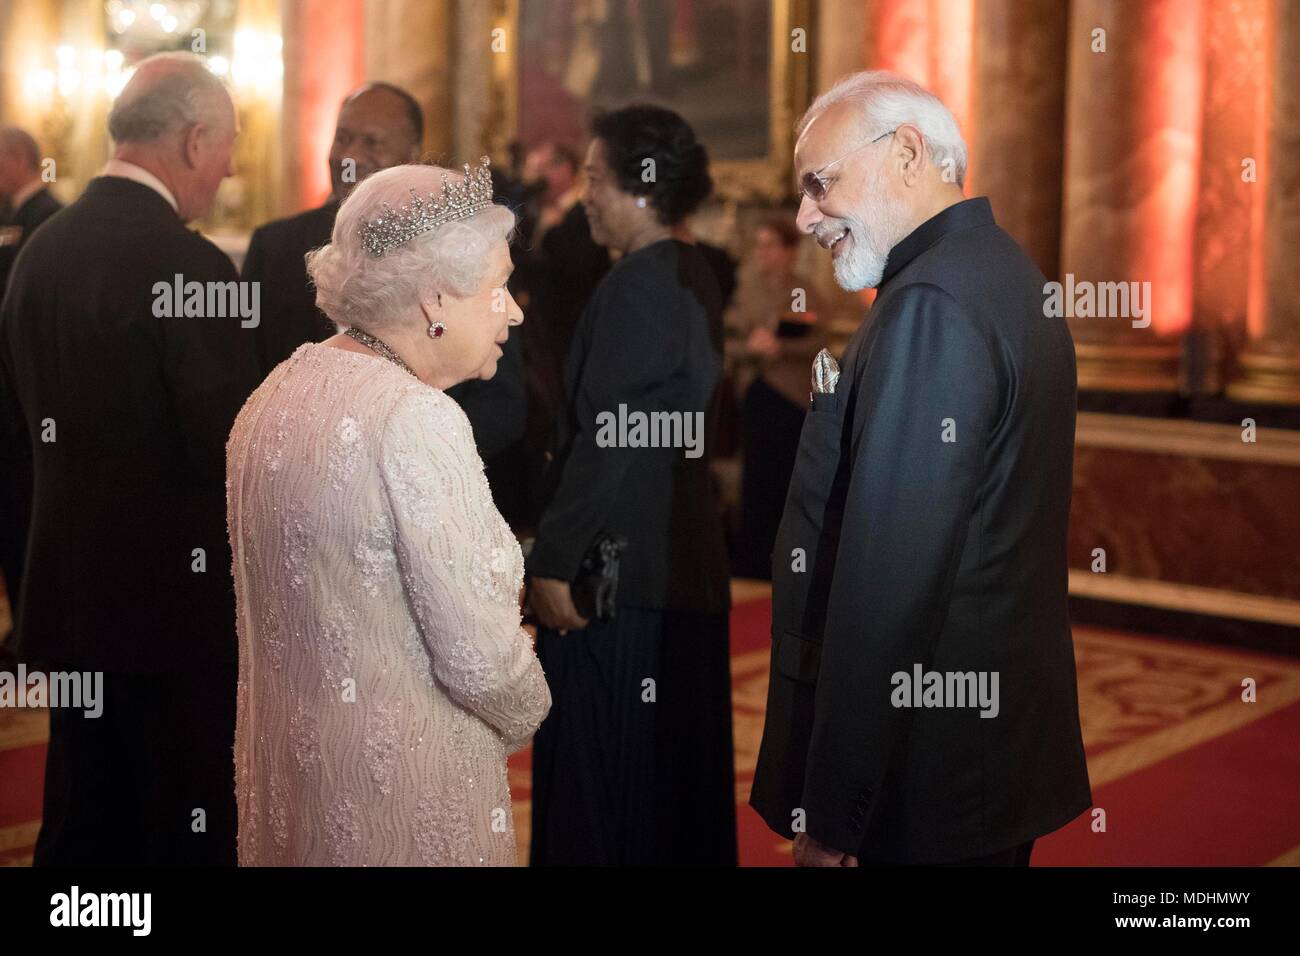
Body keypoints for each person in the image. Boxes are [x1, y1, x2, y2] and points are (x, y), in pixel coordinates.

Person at [750, 70, 1092, 866]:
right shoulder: (1001, 269)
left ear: (907, 152)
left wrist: (834, 816)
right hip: (983, 749)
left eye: (819, 183)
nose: (805, 215)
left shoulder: (930, 304)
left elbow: (890, 581)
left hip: (929, 769)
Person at [227, 160, 549, 866]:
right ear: (437, 300)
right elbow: (481, 662)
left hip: (296, 789)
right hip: (400, 801)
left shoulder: (276, 390)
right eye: (498, 288)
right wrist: (533, 703)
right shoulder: (416, 418)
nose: (515, 311)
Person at [0, 52, 258, 865]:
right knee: (180, 820)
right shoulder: (190, 265)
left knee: (84, 813)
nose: (230, 169)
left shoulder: (37, 252)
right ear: (191, 141)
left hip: (69, 597)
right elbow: (233, 448)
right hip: (171, 612)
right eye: (226, 147)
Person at [526, 105, 737, 866]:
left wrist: (551, 558)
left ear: (641, 188)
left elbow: (609, 439)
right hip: (667, 566)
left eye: (594, 178)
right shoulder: (686, 270)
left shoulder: (645, 283)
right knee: (658, 799)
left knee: (609, 796)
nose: (583, 195)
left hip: (625, 582)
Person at [727, 217, 827, 579]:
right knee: (754, 478)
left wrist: (779, 347)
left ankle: (785, 561)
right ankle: (752, 558)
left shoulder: (802, 291)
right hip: (756, 392)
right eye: (760, 245)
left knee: (784, 479)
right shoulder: (745, 289)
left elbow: (817, 340)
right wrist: (751, 347)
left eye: (771, 245)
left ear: (789, 251)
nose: (763, 253)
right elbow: (728, 339)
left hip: (790, 398)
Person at [0, 126, 63, 660]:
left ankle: (31, 635)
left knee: (24, 518)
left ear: (19, 158)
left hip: (24, 406)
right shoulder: (16, 214)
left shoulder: (46, 216)